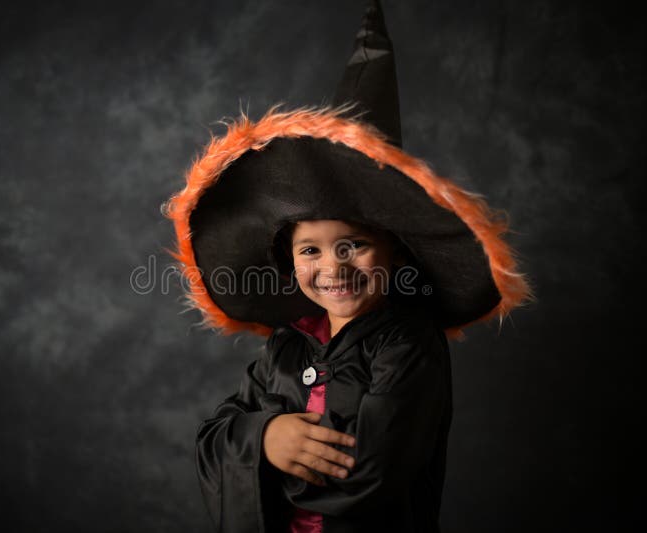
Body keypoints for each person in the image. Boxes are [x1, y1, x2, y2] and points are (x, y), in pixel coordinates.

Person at [162, 2, 532, 531]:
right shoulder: (288, 344)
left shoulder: (407, 345)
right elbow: (213, 437)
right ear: (289, 262)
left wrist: (271, 466)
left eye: (353, 244)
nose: (333, 267)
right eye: (310, 250)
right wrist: (266, 439)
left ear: (396, 251)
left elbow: (374, 473)